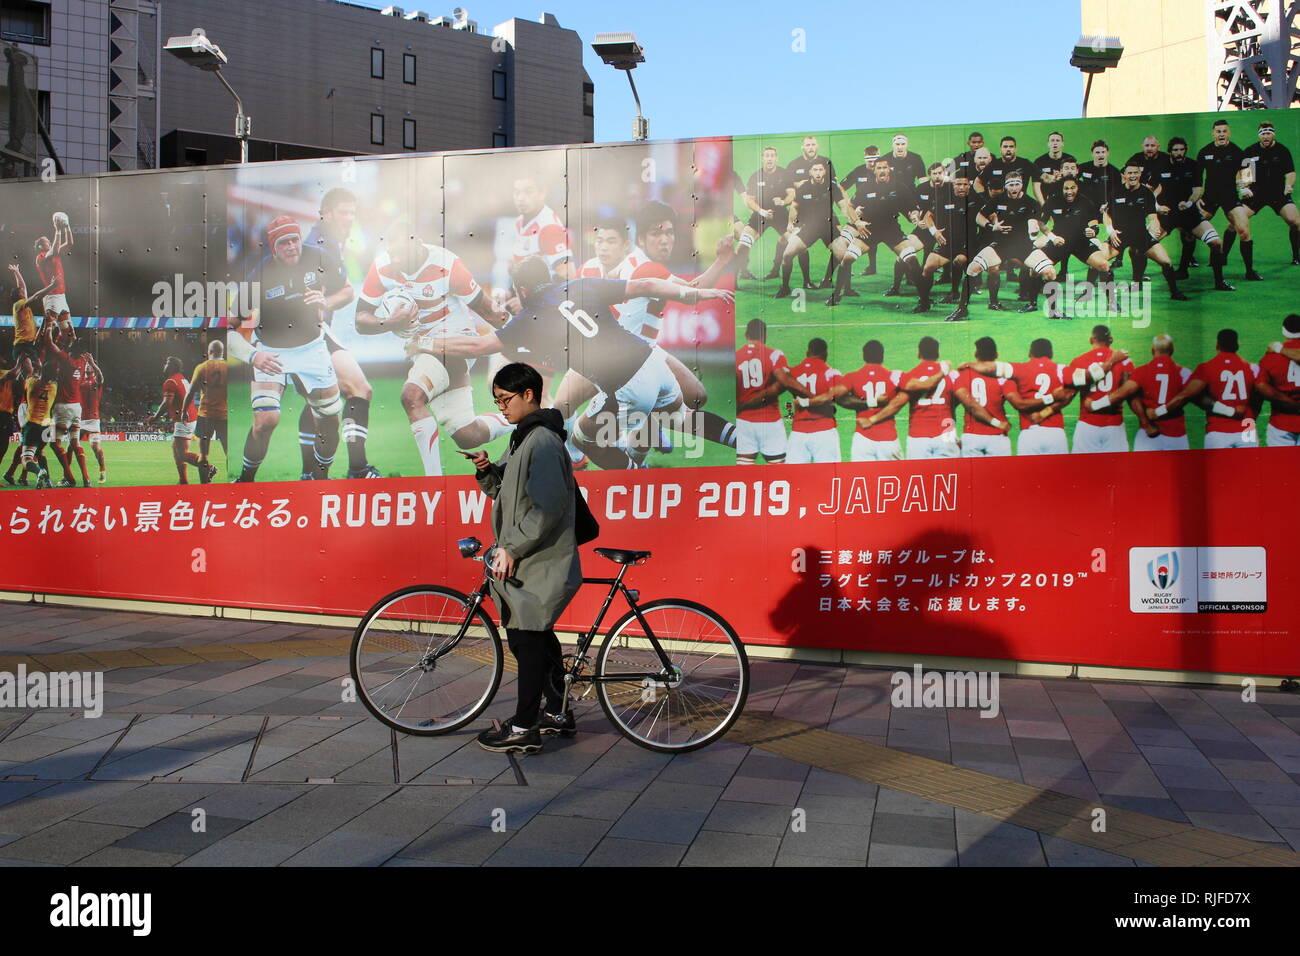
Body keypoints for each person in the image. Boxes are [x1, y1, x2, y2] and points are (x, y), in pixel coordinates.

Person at [468, 362, 582, 754]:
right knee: (533, 637)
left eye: (505, 399)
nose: (501, 407)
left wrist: (511, 548)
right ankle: (556, 711)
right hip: (531, 558)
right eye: (496, 400)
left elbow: (548, 506)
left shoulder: (542, 441)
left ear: (528, 395)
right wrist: (487, 472)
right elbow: (511, 494)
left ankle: (523, 726)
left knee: (526, 641)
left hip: (539, 559)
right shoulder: (524, 437)